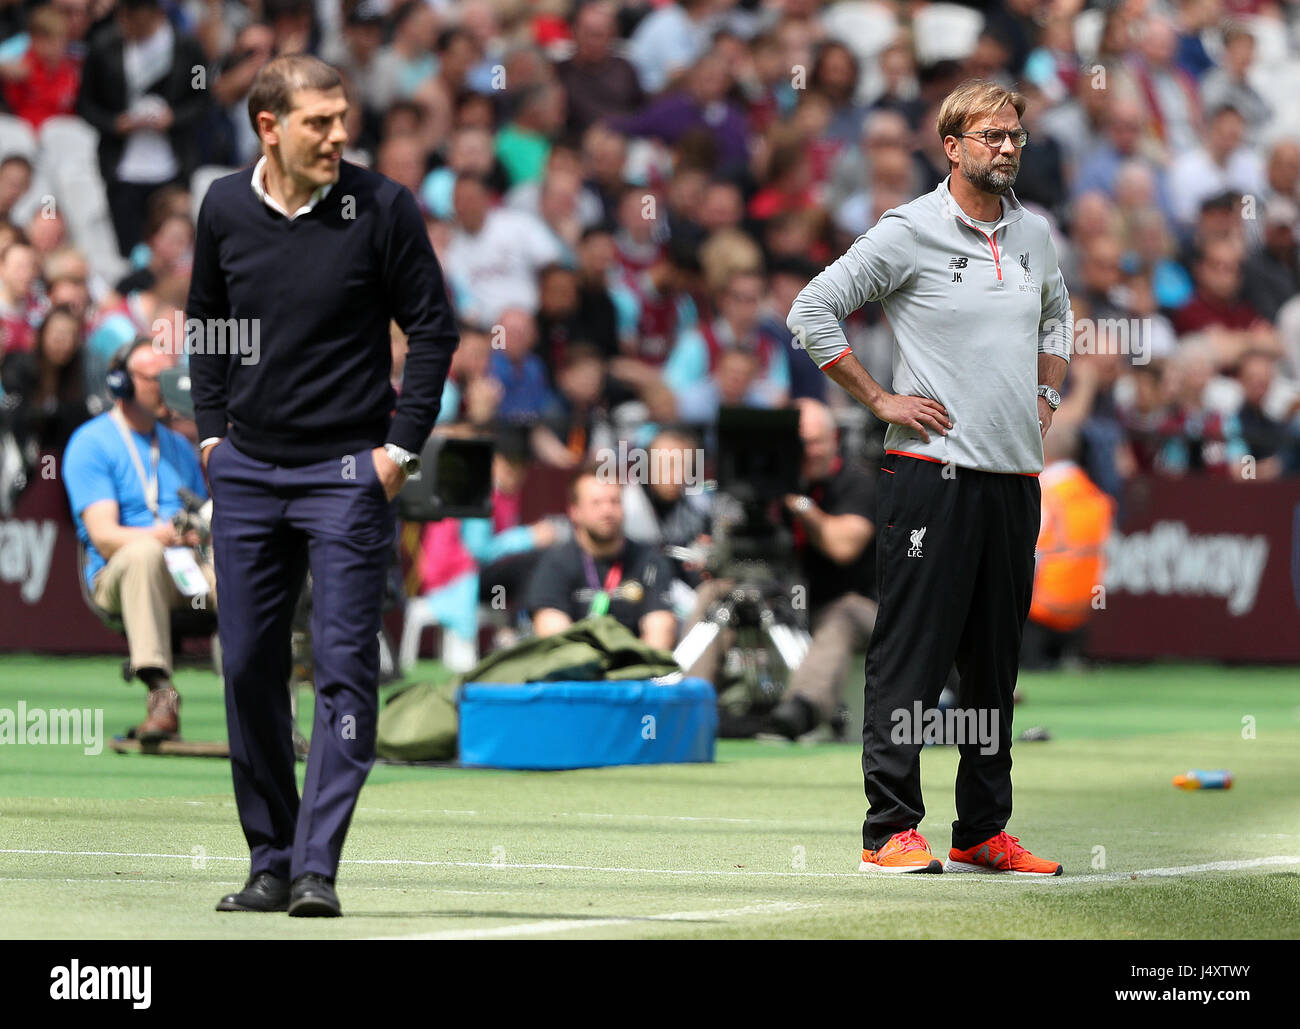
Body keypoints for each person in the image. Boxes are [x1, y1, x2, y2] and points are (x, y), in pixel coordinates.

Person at [187, 55, 458, 917]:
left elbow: (433, 328)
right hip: (247, 473)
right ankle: (269, 861)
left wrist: (398, 451)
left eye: (343, 117)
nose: (339, 134)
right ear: (269, 126)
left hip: (349, 474)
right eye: (319, 121)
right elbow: (207, 321)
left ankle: (316, 867)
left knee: (344, 672)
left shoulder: (383, 206)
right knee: (246, 668)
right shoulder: (224, 205)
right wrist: (209, 432)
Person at [788, 80, 1070, 875]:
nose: (1008, 147)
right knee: (911, 650)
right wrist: (878, 397)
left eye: (1014, 134)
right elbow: (812, 308)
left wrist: (1047, 391)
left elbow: (1058, 312)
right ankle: (889, 827)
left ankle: (981, 828)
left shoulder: (1036, 235)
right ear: (952, 147)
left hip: (1015, 473)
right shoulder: (907, 230)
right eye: (991, 136)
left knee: (993, 660)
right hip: (930, 472)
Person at [61, 338, 213, 741]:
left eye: (172, 378)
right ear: (121, 383)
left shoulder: (181, 447)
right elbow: (105, 537)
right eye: (155, 379)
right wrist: (161, 536)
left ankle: (268, 706)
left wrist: (199, 533)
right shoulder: (91, 442)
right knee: (144, 551)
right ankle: (161, 695)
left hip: (187, 568)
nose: (167, 388)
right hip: (118, 574)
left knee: (250, 566)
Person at [524, 463, 677, 651]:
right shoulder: (555, 563)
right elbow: (553, 637)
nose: (607, 511)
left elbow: (660, 634)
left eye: (614, 501)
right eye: (596, 503)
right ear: (574, 511)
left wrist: (630, 672)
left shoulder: (649, 561)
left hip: (636, 674)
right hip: (577, 674)